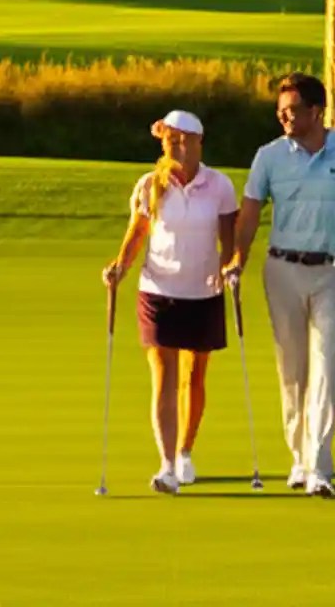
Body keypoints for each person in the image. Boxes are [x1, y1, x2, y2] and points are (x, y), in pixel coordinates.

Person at [222, 73, 335, 498]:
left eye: (292, 111)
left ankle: (319, 468)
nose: (284, 117)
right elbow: (250, 214)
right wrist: (238, 259)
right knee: (293, 372)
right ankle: (298, 458)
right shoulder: (269, 156)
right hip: (282, 270)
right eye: (280, 111)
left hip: (331, 272)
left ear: (316, 111)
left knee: (327, 370)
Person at [102, 110, 239, 495]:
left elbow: (228, 237)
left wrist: (231, 267)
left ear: (199, 142)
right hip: (157, 289)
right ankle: (165, 465)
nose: (177, 147)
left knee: (194, 377)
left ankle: (185, 452)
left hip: (203, 290)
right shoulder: (150, 184)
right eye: (170, 140)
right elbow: (137, 232)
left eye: (183, 140)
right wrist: (120, 266)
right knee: (164, 375)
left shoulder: (220, 186)